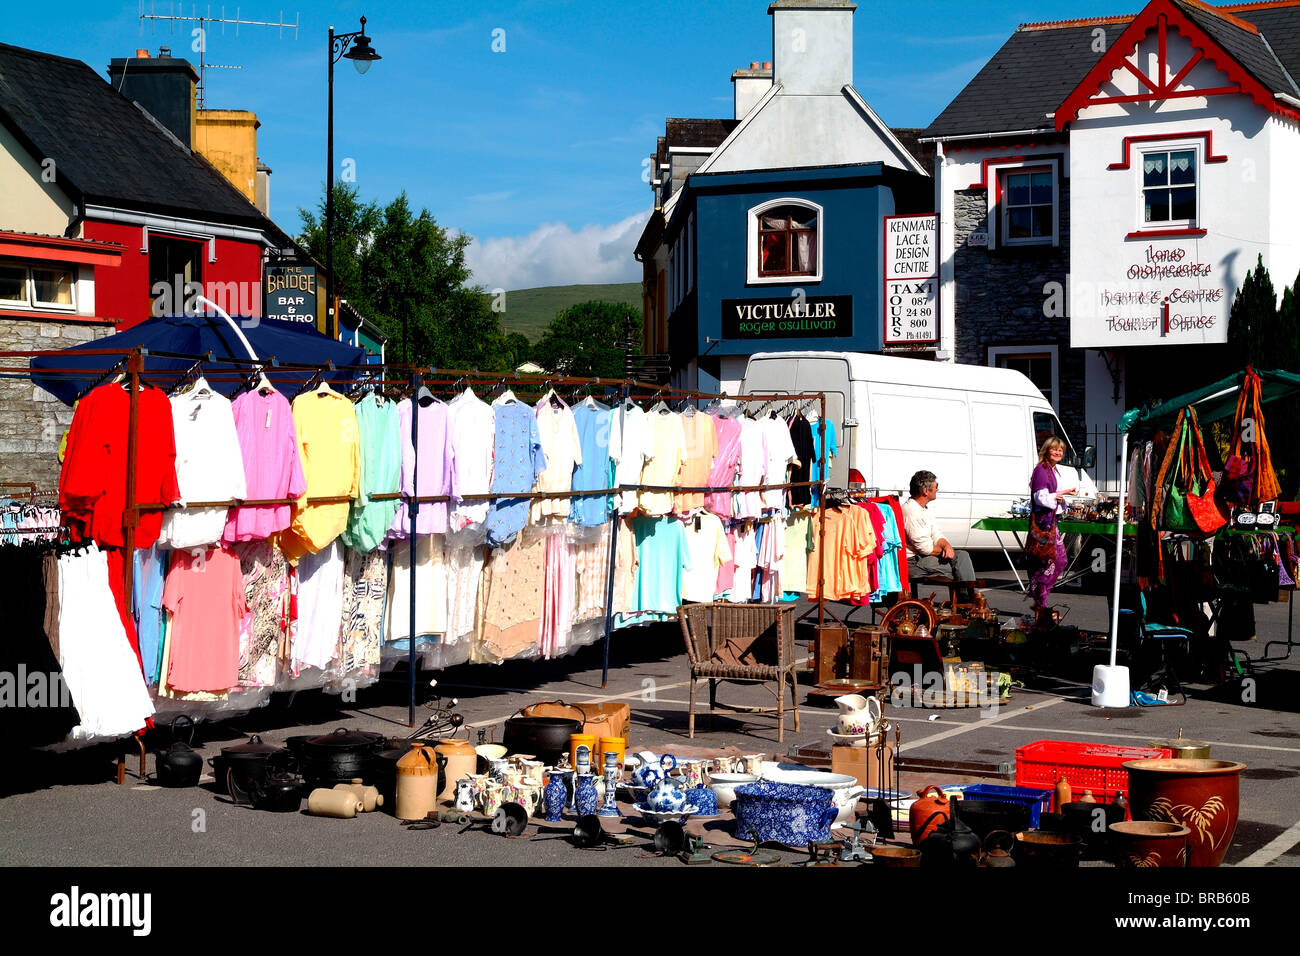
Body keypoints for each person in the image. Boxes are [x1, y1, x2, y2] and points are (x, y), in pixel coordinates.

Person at [1029, 437, 1075, 615]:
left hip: (1050, 521)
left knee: (1048, 560)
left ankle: (1040, 600)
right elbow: (1039, 497)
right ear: (1047, 450)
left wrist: (1061, 494)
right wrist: (1056, 497)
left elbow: (1049, 494)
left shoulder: (1052, 470)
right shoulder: (1041, 470)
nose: (1058, 452)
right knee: (1058, 560)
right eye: (1054, 449)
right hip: (1043, 523)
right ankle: (1039, 589)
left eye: (1061, 450)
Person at [902, 470, 975, 583]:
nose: (937, 489)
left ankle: (969, 598)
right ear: (926, 491)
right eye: (936, 486)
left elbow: (936, 533)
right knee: (958, 569)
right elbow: (924, 548)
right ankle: (969, 597)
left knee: (962, 556)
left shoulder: (923, 508)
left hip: (924, 556)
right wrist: (944, 550)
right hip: (912, 561)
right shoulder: (911, 511)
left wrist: (947, 546)